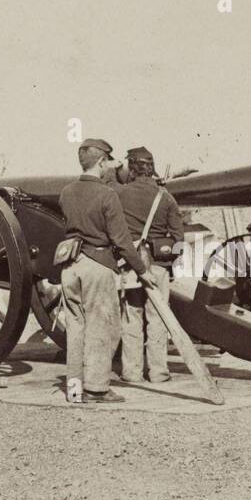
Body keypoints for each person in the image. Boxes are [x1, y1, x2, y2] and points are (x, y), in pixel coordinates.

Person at [58, 139, 153, 403]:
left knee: (75, 330)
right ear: (101, 162)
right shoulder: (107, 194)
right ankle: (97, 388)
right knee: (102, 328)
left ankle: (75, 390)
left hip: (69, 267)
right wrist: (142, 270)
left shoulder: (66, 192)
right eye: (109, 162)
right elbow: (121, 240)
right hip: (96, 266)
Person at [116, 146, 185, 383]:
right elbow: (178, 239)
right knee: (157, 320)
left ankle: (131, 372)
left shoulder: (119, 194)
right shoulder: (165, 197)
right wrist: (167, 261)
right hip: (158, 267)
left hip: (130, 265)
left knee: (131, 318)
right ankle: (158, 372)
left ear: (132, 168)